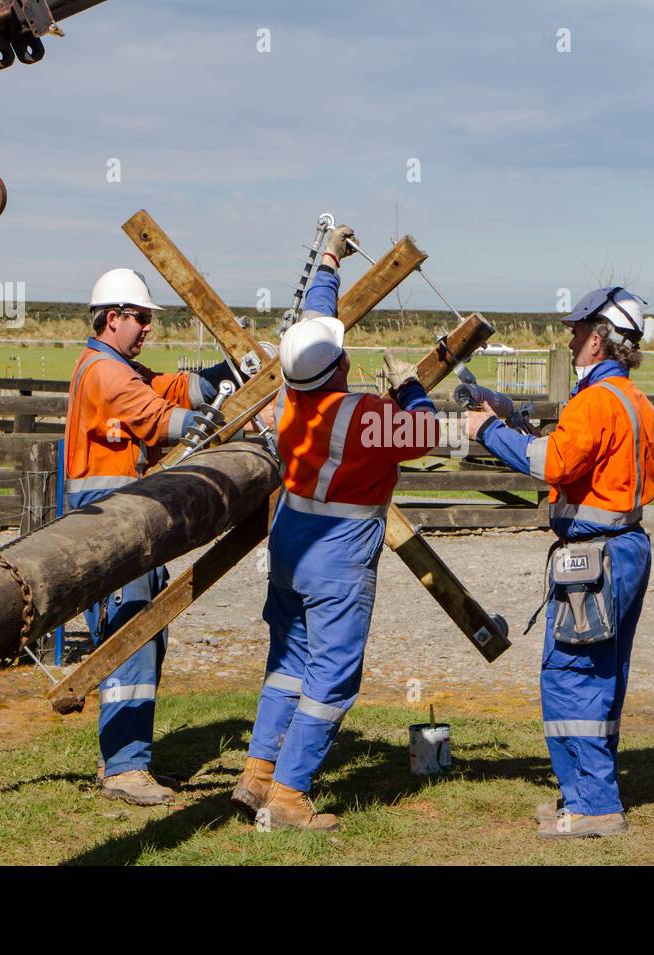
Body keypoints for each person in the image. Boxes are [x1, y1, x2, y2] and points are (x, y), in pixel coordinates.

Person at [230, 227, 439, 830]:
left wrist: (328, 260)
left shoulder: (293, 396)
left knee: (289, 661)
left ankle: (258, 773)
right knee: (332, 674)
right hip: (340, 553)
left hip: (292, 535)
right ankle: (290, 797)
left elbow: (315, 323)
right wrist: (412, 389)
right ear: (341, 364)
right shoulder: (367, 417)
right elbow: (423, 436)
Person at [465, 287, 654, 839]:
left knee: (571, 677)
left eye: (577, 330)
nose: (570, 337)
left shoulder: (594, 402)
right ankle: (583, 797)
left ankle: (594, 807)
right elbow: (617, 468)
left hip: (593, 557)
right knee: (602, 674)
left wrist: (487, 431)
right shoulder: (637, 403)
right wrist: (517, 426)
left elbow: (550, 463)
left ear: (598, 338)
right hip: (627, 547)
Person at [65, 267, 241, 806]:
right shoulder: (103, 373)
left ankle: (125, 757)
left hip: (133, 521)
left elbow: (168, 385)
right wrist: (203, 422)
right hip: (110, 525)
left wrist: (224, 372)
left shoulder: (120, 368)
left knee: (147, 635)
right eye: (140, 319)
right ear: (112, 317)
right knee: (129, 639)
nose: (147, 328)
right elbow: (155, 413)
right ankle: (123, 769)